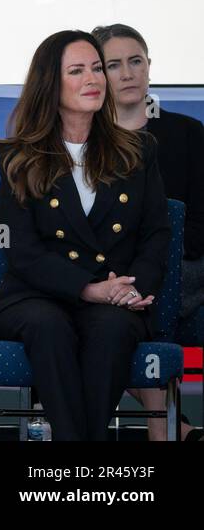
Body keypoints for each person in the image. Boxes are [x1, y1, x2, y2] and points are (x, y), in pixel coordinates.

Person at [0, 30, 169, 441]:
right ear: (51, 85)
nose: (94, 79)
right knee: (48, 326)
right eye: (77, 71)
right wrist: (86, 289)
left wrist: (130, 290)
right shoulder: (18, 157)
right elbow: (22, 251)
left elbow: (157, 234)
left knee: (113, 328)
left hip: (115, 297)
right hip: (34, 296)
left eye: (96, 68)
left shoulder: (138, 150)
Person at [93, 22, 203, 441]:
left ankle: (164, 431)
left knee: (129, 298)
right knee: (102, 308)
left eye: (135, 61)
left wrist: (153, 260)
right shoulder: (83, 142)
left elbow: (200, 223)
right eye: (114, 64)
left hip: (184, 266)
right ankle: (175, 429)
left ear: (149, 67)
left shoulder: (188, 134)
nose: (128, 73)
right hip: (111, 277)